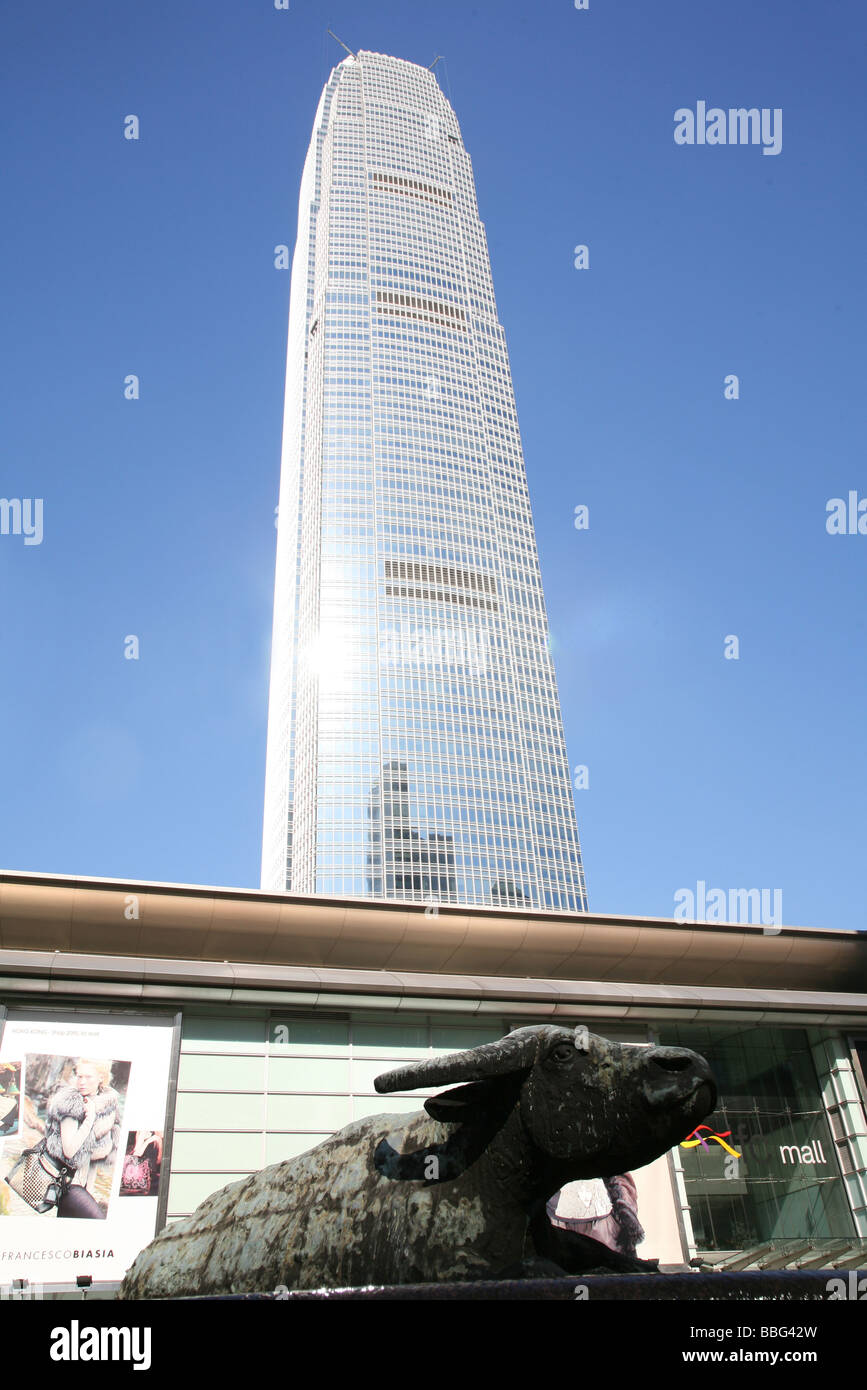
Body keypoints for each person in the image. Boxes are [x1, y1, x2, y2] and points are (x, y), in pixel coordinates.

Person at [43, 1059, 120, 1219]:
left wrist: (90, 1190)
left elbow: (100, 1154)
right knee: (98, 1219)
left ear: (101, 1078)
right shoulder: (71, 1104)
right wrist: (89, 1118)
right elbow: (69, 1151)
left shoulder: (106, 1104)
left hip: (85, 1185)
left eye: (88, 1077)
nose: (82, 1082)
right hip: (68, 1184)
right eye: (79, 1076)